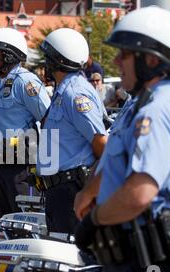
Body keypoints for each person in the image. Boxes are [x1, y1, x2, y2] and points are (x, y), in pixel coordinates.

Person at [74, 6, 170, 272]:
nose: (117, 61)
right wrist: (90, 192)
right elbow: (120, 161)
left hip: (153, 251)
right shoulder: (144, 104)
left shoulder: (157, 110)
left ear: (151, 59)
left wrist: (94, 221)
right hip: (137, 246)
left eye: (125, 54)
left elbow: (139, 193)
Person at [37, 28, 107, 234]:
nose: (45, 63)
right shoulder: (63, 91)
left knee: (73, 257)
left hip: (71, 190)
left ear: (57, 60)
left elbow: (101, 144)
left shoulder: (75, 94)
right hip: (59, 189)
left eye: (47, 57)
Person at [0, 27, 51, 219]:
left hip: (21, 168)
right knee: (3, 221)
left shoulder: (25, 82)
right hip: (0, 163)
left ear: (9, 55)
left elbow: (48, 120)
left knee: (23, 221)